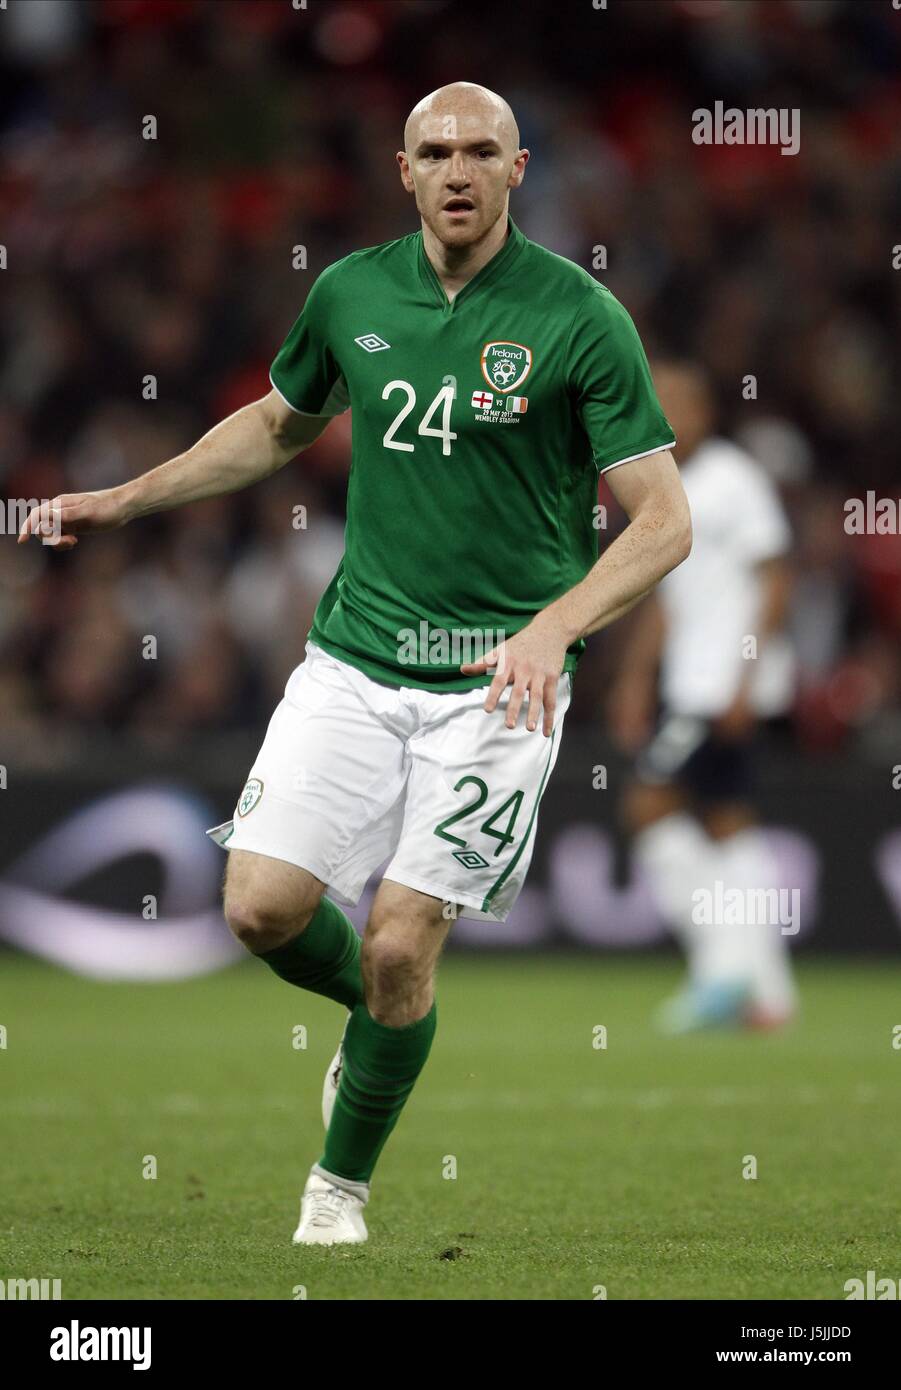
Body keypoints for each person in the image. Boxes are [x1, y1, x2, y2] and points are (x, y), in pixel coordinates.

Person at [20, 82, 690, 1244]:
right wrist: (122, 500)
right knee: (262, 911)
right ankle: (385, 1028)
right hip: (353, 664)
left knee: (396, 937)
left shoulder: (579, 316)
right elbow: (276, 425)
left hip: (497, 686)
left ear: (519, 169)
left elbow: (664, 521)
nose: (459, 171)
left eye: (483, 150)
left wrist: (553, 626)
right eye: (436, 152)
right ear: (403, 169)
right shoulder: (349, 292)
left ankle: (337, 1194)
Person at [607, 360, 797, 1034]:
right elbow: (665, 597)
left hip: (720, 685)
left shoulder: (732, 480)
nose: (664, 413)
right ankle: (768, 995)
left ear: (706, 412)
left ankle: (721, 974)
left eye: (677, 402)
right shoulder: (667, 487)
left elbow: (775, 577)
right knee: (726, 822)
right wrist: (635, 678)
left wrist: (747, 679)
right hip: (688, 680)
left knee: (648, 804)